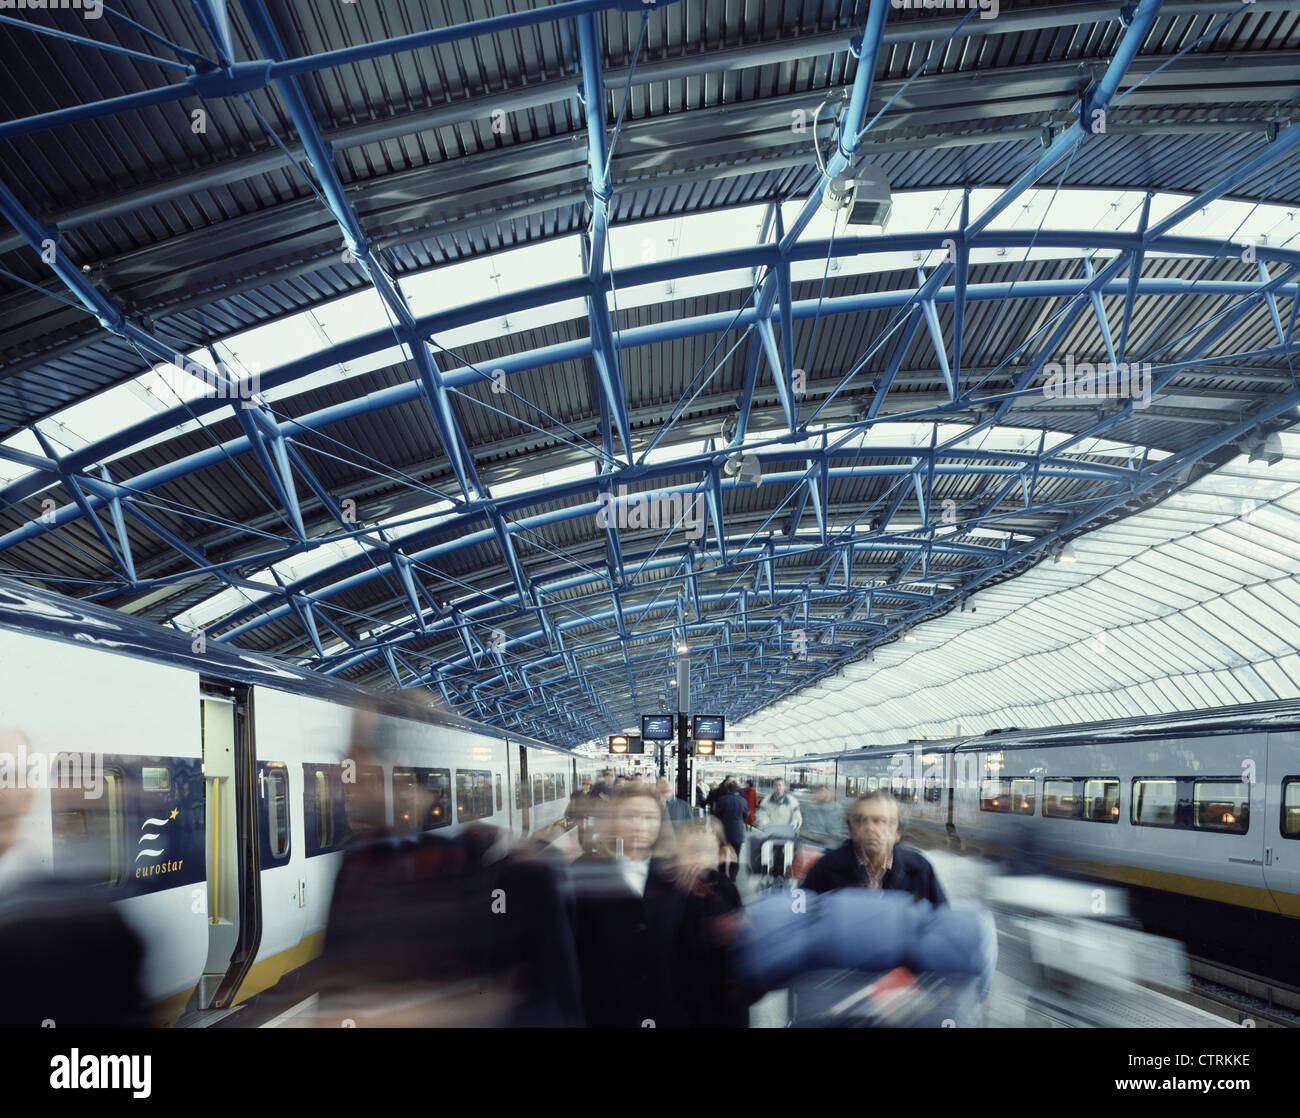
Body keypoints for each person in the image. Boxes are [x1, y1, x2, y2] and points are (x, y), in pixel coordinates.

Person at [567, 783, 710, 1027]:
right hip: (603, 1013)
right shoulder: (582, 872)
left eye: (650, 817)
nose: (640, 825)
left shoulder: (677, 876)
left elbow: (692, 956)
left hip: (666, 1011)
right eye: (630, 816)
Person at [800, 790, 946, 906]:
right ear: (851, 829)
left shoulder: (919, 868)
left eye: (880, 821)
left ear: (897, 832)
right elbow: (798, 912)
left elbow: (941, 919)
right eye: (860, 820)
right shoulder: (826, 866)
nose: (869, 828)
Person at [709, 780, 749, 883]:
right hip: (738, 832)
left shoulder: (722, 800)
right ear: (737, 790)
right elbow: (745, 815)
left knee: (722, 855)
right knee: (735, 856)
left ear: (728, 790)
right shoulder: (743, 801)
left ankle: (722, 877)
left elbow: (716, 814)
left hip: (724, 832)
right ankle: (733, 878)